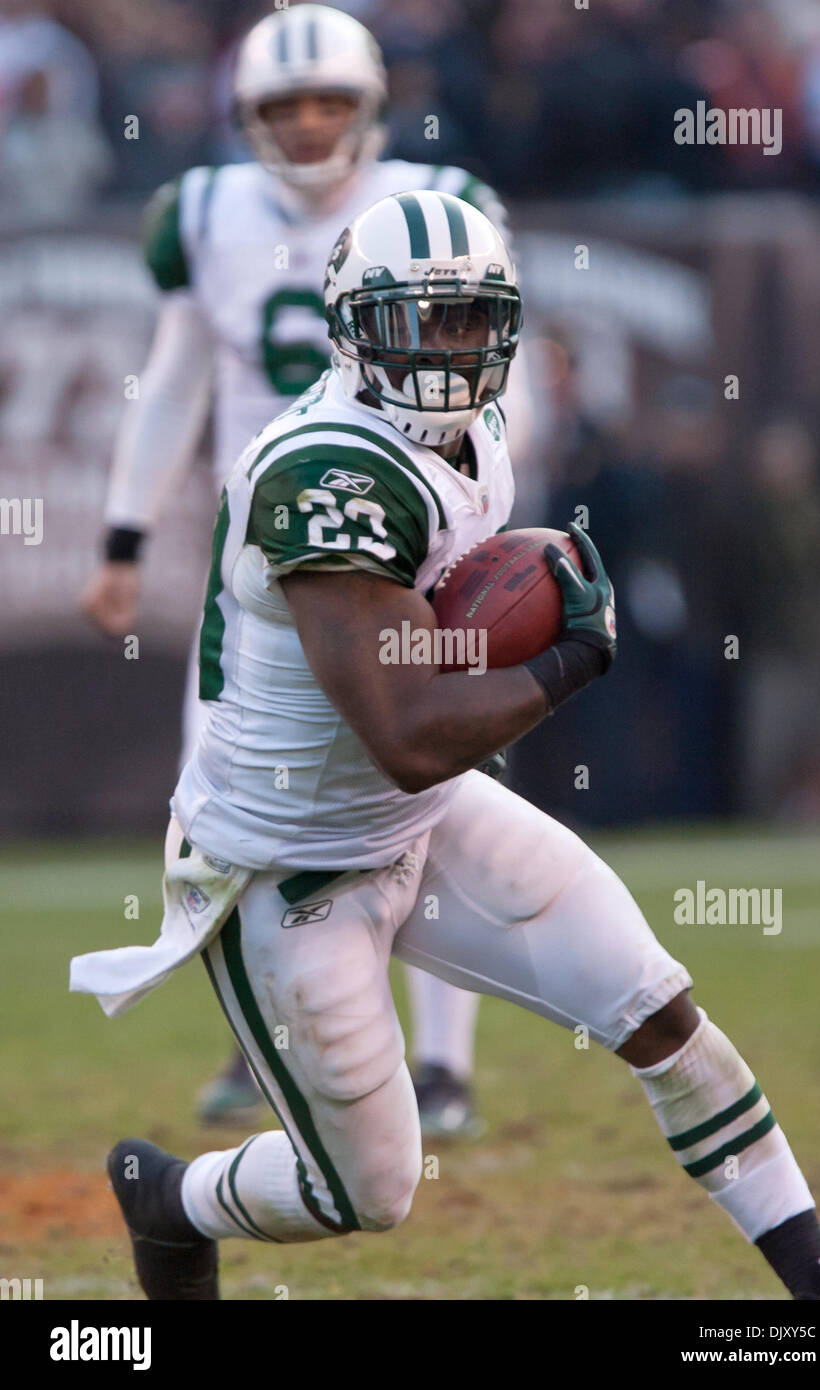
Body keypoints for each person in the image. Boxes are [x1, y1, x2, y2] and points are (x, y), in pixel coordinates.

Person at [72, 190, 820, 1303]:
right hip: (290, 864)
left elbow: (431, 690)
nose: (447, 349)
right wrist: (560, 663)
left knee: (657, 1009)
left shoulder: (481, 427)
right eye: (418, 321)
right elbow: (400, 731)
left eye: (466, 319)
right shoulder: (325, 474)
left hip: (429, 814)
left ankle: (819, 1284)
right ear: (350, 326)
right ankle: (171, 1197)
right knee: (367, 1191)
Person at [81, 4, 525, 1137]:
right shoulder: (207, 212)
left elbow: (494, 382)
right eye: (286, 106)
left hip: (409, 538)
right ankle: (261, 1043)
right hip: (267, 557)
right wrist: (124, 534)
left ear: (372, 105)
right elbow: (173, 377)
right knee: (221, 795)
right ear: (245, 115)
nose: (311, 123)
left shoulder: (443, 205)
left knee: (436, 783)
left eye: (329, 101)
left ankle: (443, 1063)